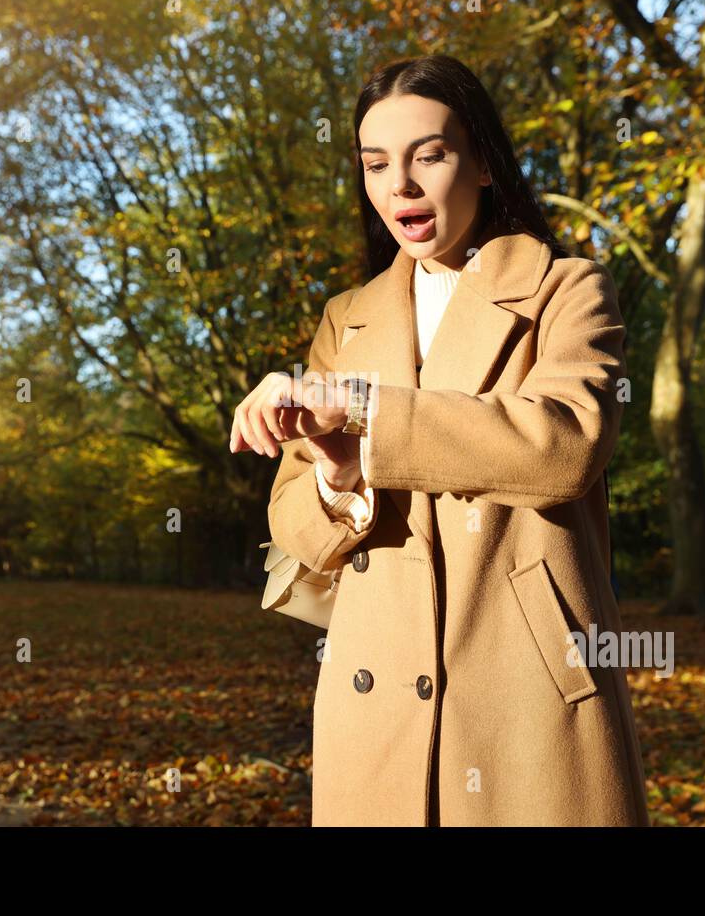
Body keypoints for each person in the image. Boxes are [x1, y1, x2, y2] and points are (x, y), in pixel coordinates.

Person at [229, 54, 650, 826]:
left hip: (527, 695)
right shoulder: (344, 318)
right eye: (377, 163)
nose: (402, 187)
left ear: (483, 161)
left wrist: (363, 415)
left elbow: (563, 447)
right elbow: (290, 521)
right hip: (374, 706)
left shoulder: (568, 288)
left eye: (430, 155)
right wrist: (339, 479)